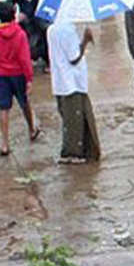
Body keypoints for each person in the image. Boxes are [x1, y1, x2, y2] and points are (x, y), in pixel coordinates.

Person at [0, 0, 42, 157]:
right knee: (24, 103)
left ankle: (5, 143)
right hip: (18, 74)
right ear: (13, 16)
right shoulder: (20, 34)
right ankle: (31, 129)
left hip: (1, 75)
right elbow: (25, 58)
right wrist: (29, 78)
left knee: (4, 109)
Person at [47, 14, 100, 163]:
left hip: (60, 82)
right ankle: (74, 153)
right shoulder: (67, 30)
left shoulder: (51, 29)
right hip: (72, 83)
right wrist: (85, 41)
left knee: (68, 119)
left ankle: (75, 151)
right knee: (76, 120)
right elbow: (74, 57)